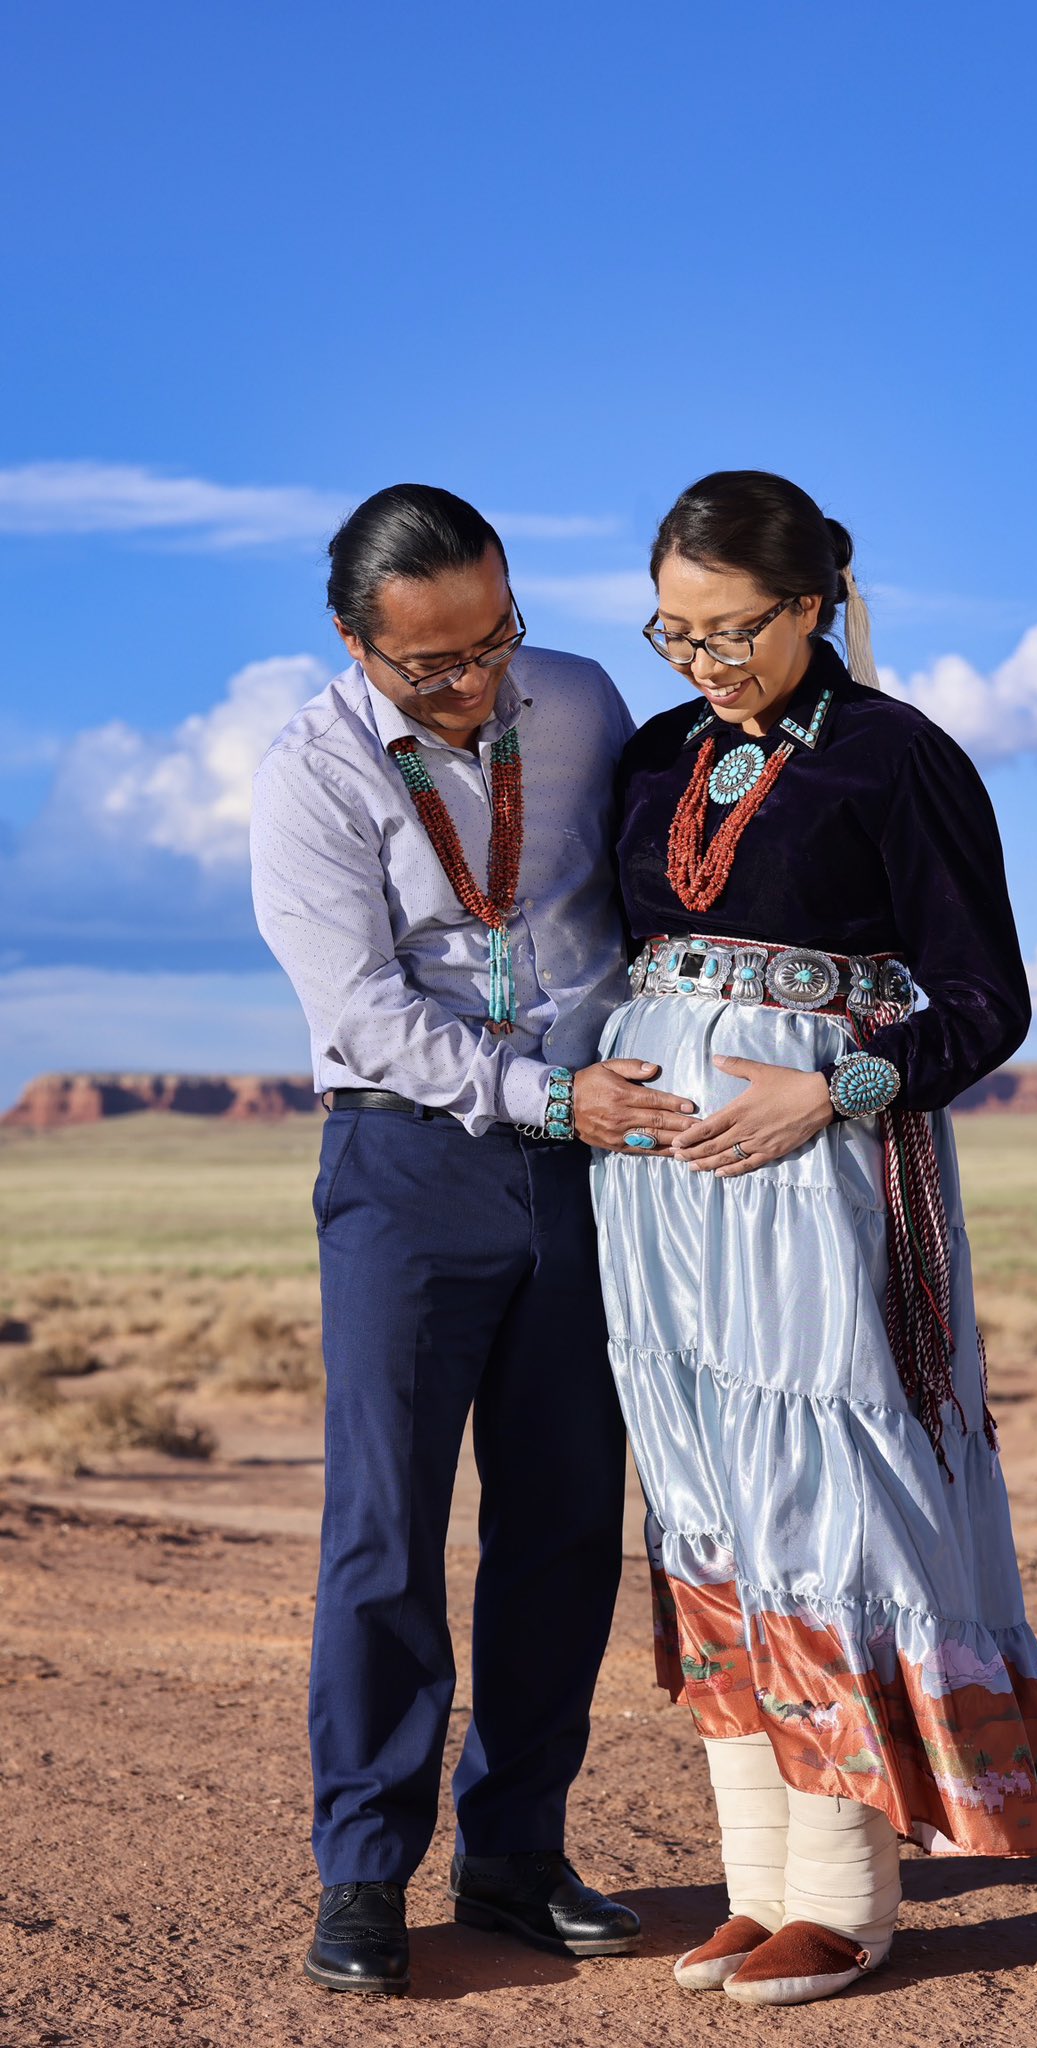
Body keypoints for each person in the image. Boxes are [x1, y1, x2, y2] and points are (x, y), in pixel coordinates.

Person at [591, 471, 1037, 2008]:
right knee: (705, 1500)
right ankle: (750, 1890)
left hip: (814, 1173)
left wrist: (833, 1091)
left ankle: (848, 1903)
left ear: (815, 604)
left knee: (822, 1497)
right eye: (675, 633)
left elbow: (985, 1001)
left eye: (734, 631)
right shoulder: (659, 754)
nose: (703, 663)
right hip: (660, 1186)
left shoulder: (894, 758)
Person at [250, 484, 697, 1995]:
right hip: (407, 1161)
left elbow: (639, 894)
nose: (475, 684)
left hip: (588, 1159)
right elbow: (363, 1012)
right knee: (383, 1528)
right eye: (431, 666)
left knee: (567, 1515)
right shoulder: (306, 776)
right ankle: (363, 1872)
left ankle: (514, 1850)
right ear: (354, 643)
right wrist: (543, 1095)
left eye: (493, 640)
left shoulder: (577, 695)